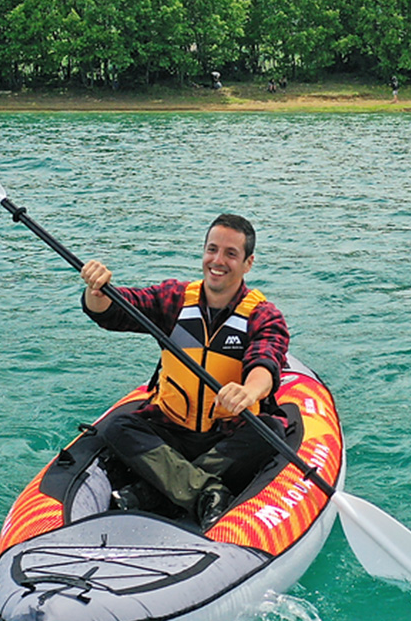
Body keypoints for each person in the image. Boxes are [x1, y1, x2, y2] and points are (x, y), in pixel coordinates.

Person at [80, 214, 289, 530]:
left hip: (227, 433)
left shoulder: (263, 314)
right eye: (212, 250)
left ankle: (154, 492)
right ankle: (207, 491)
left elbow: (267, 360)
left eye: (231, 254)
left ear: (248, 263)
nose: (218, 261)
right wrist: (96, 294)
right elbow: (116, 311)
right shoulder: (174, 300)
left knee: (270, 432)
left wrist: (249, 391)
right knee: (118, 427)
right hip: (171, 429)